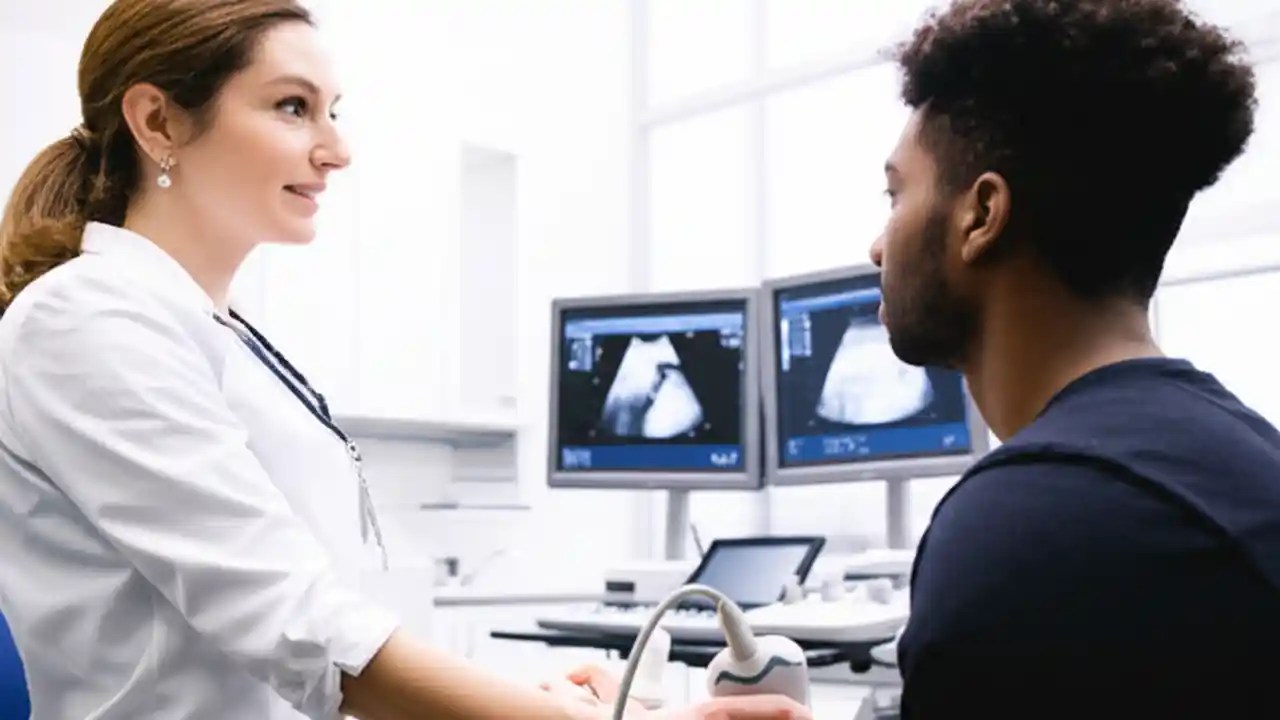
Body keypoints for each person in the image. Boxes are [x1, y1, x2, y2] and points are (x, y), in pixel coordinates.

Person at [0, 1, 811, 719]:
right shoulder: (86, 319)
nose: (337, 149)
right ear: (159, 122)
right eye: (293, 108)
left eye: (332, 112)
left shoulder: (214, 333)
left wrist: (526, 702)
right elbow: (302, 628)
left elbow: (321, 641)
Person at [572, 0, 1280, 717]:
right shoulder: (1239, 457)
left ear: (981, 216)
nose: (878, 246)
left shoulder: (1027, 529)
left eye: (895, 195)